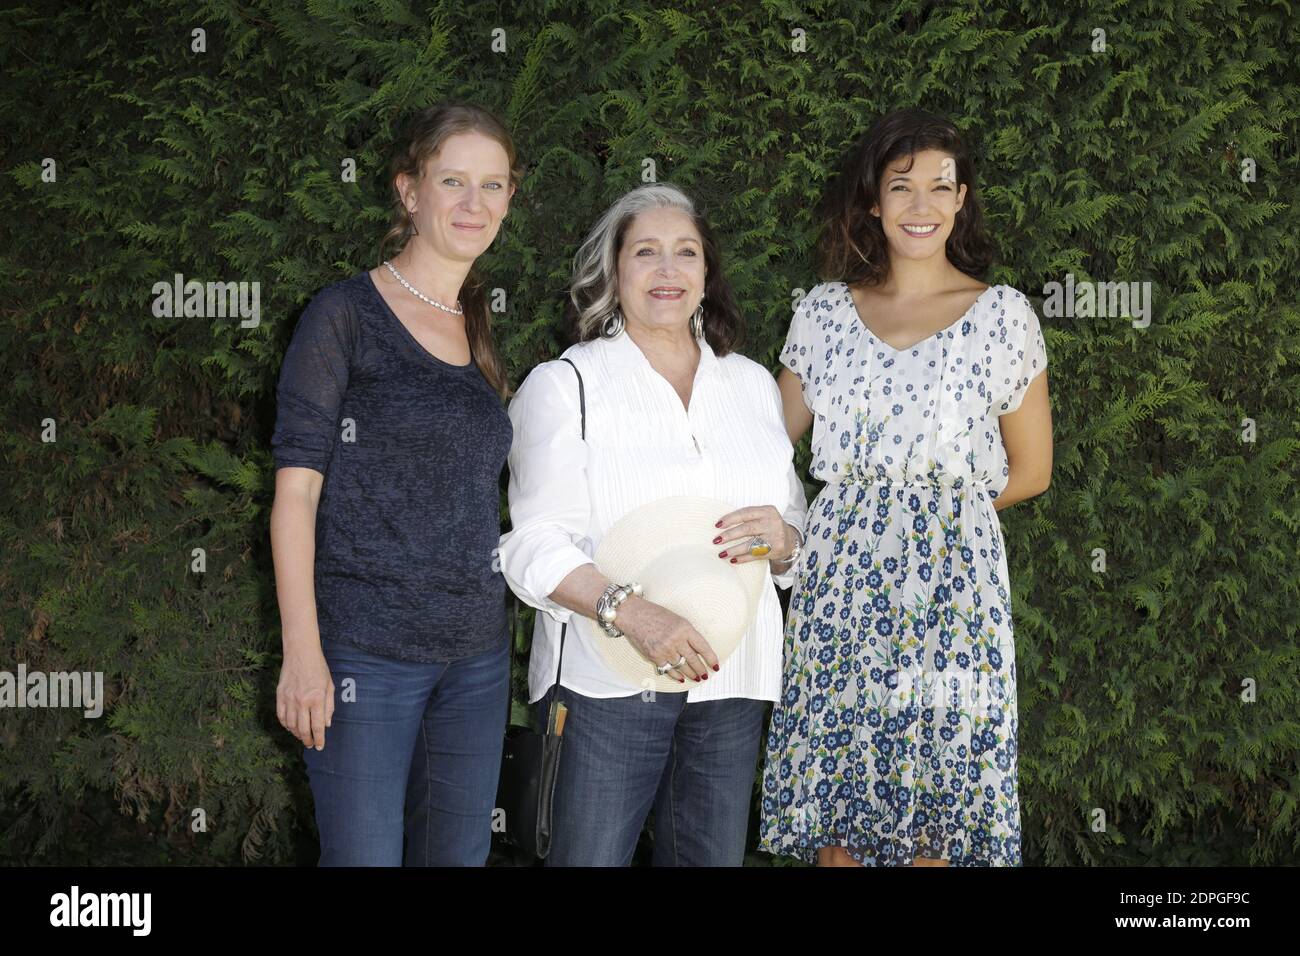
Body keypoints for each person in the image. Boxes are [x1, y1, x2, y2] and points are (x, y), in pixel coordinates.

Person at [759, 108, 1053, 867]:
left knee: (938, 816)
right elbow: (764, 440)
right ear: (871, 202)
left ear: (961, 201)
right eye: (901, 187)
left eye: (938, 188)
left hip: (955, 591)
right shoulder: (824, 312)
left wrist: (931, 524)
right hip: (841, 584)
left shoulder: (1003, 317)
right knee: (842, 813)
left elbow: (1032, 472)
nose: (920, 206)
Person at [498, 183, 808, 866]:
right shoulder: (566, 384)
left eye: (686, 253)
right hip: (608, 681)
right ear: (612, 271)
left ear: (707, 273)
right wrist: (633, 614)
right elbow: (530, 548)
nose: (668, 271)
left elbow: (792, 531)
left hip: (731, 682)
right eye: (646, 252)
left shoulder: (753, 384)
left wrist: (787, 542)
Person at [269, 102, 520, 865]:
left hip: (477, 658)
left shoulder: (476, 323)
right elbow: (295, 496)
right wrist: (302, 653)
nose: (474, 204)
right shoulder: (343, 315)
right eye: (453, 181)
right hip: (364, 659)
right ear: (409, 192)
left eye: (494, 184)